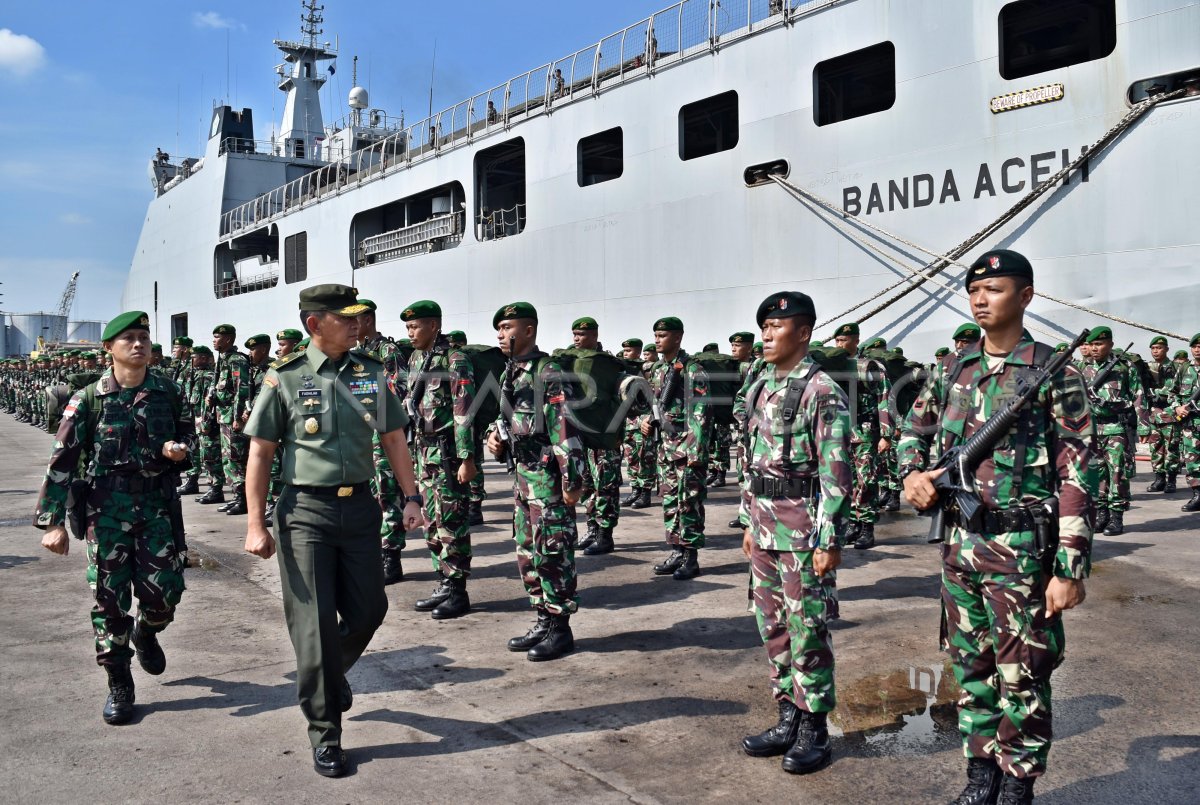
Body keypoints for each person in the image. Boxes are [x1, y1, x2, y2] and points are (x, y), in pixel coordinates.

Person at [900, 249, 1093, 804]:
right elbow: (915, 432)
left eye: (996, 290)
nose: (981, 300)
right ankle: (980, 772)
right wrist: (914, 472)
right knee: (972, 665)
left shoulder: (1057, 371)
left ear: (1026, 296)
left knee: (1023, 673)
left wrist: (1069, 567)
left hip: (1021, 551)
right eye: (974, 292)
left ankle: (1017, 783)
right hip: (961, 543)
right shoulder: (954, 370)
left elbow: (1078, 472)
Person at [242, 284, 423, 778]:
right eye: (345, 318)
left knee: (371, 609)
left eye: (359, 317)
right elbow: (260, 453)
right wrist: (256, 523)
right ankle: (326, 732)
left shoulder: (370, 373)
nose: (356, 324)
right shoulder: (284, 377)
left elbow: (392, 437)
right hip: (305, 513)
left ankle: (330, 672)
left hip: (360, 509)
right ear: (314, 324)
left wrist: (411, 497)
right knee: (315, 627)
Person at [34, 311, 194, 725]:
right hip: (105, 512)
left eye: (144, 337)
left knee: (164, 596)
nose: (139, 344)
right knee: (109, 601)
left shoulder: (169, 392)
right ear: (110, 348)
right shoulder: (87, 399)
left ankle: (148, 631)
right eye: (129, 339)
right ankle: (119, 681)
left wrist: (178, 451)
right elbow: (62, 460)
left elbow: (187, 436)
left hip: (157, 508)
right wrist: (51, 522)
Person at [739, 292, 852, 776]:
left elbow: (836, 473)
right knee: (773, 627)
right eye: (763, 325)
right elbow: (751, 458)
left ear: (803, 333)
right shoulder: (761, 383)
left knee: (808, 630)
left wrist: (829, 540)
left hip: (803, 531)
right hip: (765, 526)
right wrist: (748, 520)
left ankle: (814, 729)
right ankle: (787, 714)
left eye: (776, 325)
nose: (766, 334)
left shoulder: (822, 390)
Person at [486, 302, 585, 661]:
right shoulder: (510, 373)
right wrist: (493, 437)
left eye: (507, 326)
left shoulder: (549, 372)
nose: (500, 334)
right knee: (528, 551)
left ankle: (561, 628)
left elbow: (566, 428)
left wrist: (573, 481)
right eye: (498, 328)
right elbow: (502, 419)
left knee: (553, 551)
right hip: (523, 477)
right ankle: (542, 618)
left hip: (548, 478)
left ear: (529, 331)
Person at [404, 300, 478, 619]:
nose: (410, 332)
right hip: (425, 452)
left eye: (415, 326)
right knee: (431, 522)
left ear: (434, 325)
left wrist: (466, 458)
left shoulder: (455, 359)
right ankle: (444, 582)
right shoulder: (418, 358)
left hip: (448, 452)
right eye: (407, 327)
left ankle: (458, 591)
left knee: (451, 522)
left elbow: (464, 411)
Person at [640, 316, 711, 580]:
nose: (658, 339)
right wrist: (647, 422)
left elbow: (701, 412)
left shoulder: (693, 370)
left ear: (678, 337)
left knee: (689, 502)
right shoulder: (659, 369)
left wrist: (696, 451)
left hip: (687, 448)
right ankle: (676, 550)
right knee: (670, 500)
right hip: (666, 447)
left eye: (664, 335)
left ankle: (691, 557)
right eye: (656, 335)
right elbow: (657, 405)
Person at [357, 300, 410, 585]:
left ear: (367, 320)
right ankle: (377, 548)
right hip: (363, 437)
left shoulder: (387, 351)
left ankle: (392, 556)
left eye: (356, 320)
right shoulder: (356, 353)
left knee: (388, 494)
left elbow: (399, 388)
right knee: (371, 495)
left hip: (383, 435)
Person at [832, 322, 892, 549]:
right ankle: (853, 524)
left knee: (866, 478)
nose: (839, 344)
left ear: (856, 340)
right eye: (837, 341)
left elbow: (884, 398)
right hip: (841, 430)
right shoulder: (831, 366)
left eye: (843, 340)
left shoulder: (869, 366)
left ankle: (867, 527)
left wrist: (886, 435)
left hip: (866, 430)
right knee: (846, 480)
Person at [1078, 326, 1142, 536]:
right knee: (1097, 474)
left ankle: (1117, 518)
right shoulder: (1082, 367)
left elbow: (1138, 398)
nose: (1094, 348)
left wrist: (1109, 402)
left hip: (1115, 427)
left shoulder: (1124, 368)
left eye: (1099, 344)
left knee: (1117, 474)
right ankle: (1101, 514)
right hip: (1091, 429)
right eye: (1092, 344)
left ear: (1110, 345)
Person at [570, 316, 623, 555]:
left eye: (581, 334)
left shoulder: (609, 364)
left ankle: (605, 535)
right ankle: (591, 529)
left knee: (607, 486)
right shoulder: (571, 361)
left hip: (605, 435)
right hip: (582, 437)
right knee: (587, 486)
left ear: (594, 335)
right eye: (574, 334)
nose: (576, 339)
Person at [210, 324, 253, 515]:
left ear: (228, 339)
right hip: (223, 417)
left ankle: (243, 499)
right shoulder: (223, 359)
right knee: (228, 459)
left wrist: (237, 417)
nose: (214, 340)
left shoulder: (236, 360)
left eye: (217, 337)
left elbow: (241, 390)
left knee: (236, 459)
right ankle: (236, 496)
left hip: (232, 418)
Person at [620, 337, 655, 509]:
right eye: (624, 351)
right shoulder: (622, 369)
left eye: (629, 350)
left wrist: (649, 418)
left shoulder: (647, 369)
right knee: (631, 457)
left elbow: (655, 396)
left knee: (645, 457)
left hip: (643, 421)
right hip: (628, 421)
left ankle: (645, 493)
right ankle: (635, 490)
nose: (626, 354)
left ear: (638, 351)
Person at [1143, 336, 1181, 494]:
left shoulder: (1174, 367)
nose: (1156, 351)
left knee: (1171, 448)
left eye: (1159, 348)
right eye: (1153, 348)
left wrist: (1159, 392)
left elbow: (1176, 387)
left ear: (1166, 349)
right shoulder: (1148, 367)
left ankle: (1171, 481)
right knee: (1156, 447)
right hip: (1154, 414)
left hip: (1169, 413)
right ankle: (1159, 479)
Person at [1167, 333, 1200, 512]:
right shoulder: (1184, 369)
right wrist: (1177, 407)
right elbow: (1173, 393)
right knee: (1192, 461)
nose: (1197, 349)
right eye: (1194, 346)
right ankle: (1197, 495)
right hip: (1190, 424)